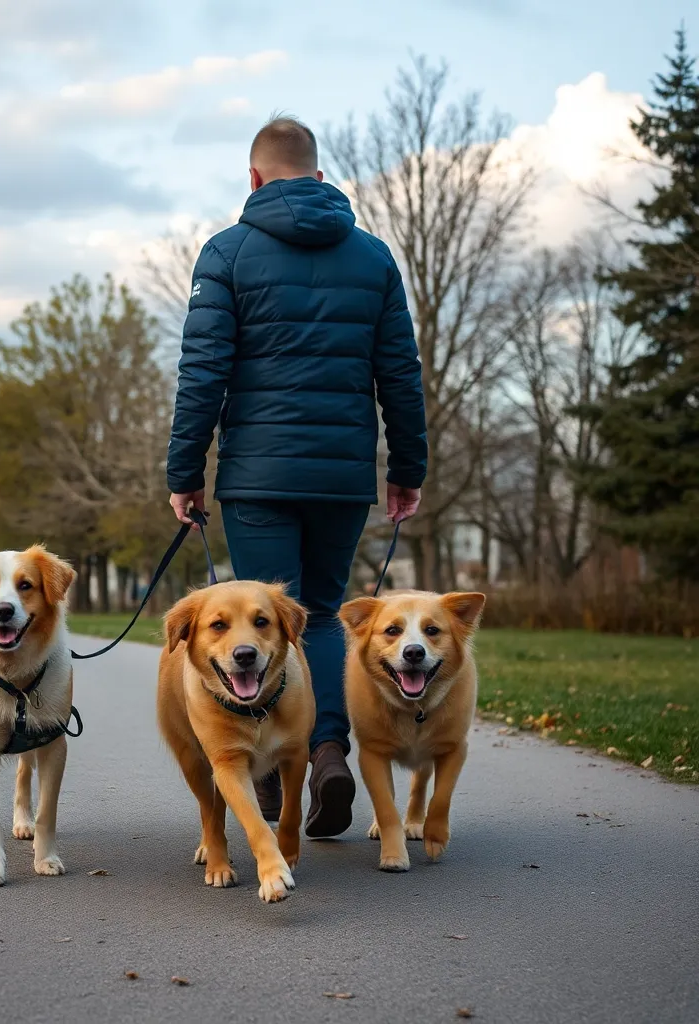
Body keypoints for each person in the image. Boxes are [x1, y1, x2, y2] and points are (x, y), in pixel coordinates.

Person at [166, 116, 427, 838]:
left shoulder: (226, 253)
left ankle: (274, 766)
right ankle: (328, 751)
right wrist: (407, 468)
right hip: (343, 477)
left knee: (264, 622)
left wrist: (184, 472)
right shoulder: (372, 258)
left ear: (253, 179)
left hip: (256, 478)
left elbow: (203, 375)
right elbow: (399, 374)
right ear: (318, 178)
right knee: (317, 613)